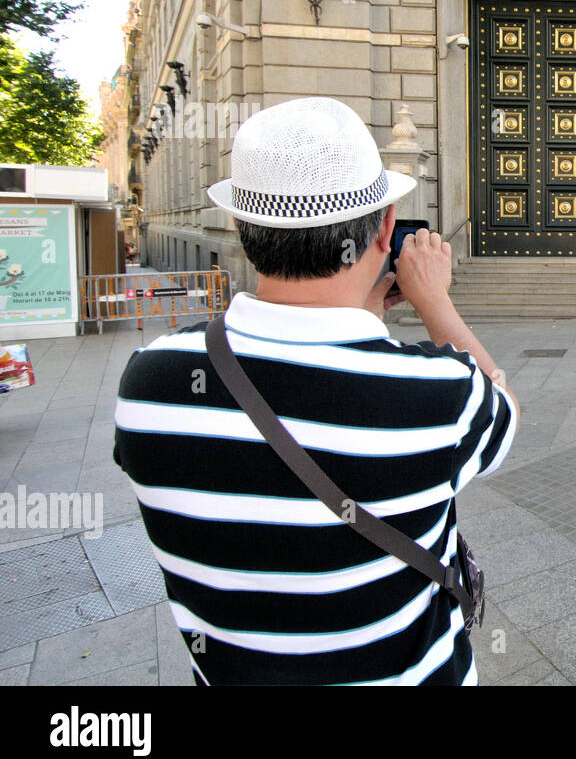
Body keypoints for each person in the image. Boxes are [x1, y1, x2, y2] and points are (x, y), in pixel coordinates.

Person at [114, 98, 519, 686]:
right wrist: (435, 301)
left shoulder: (149, 382)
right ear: (385, 229)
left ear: (240, 226)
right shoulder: (440, 395)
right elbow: (500, 403)